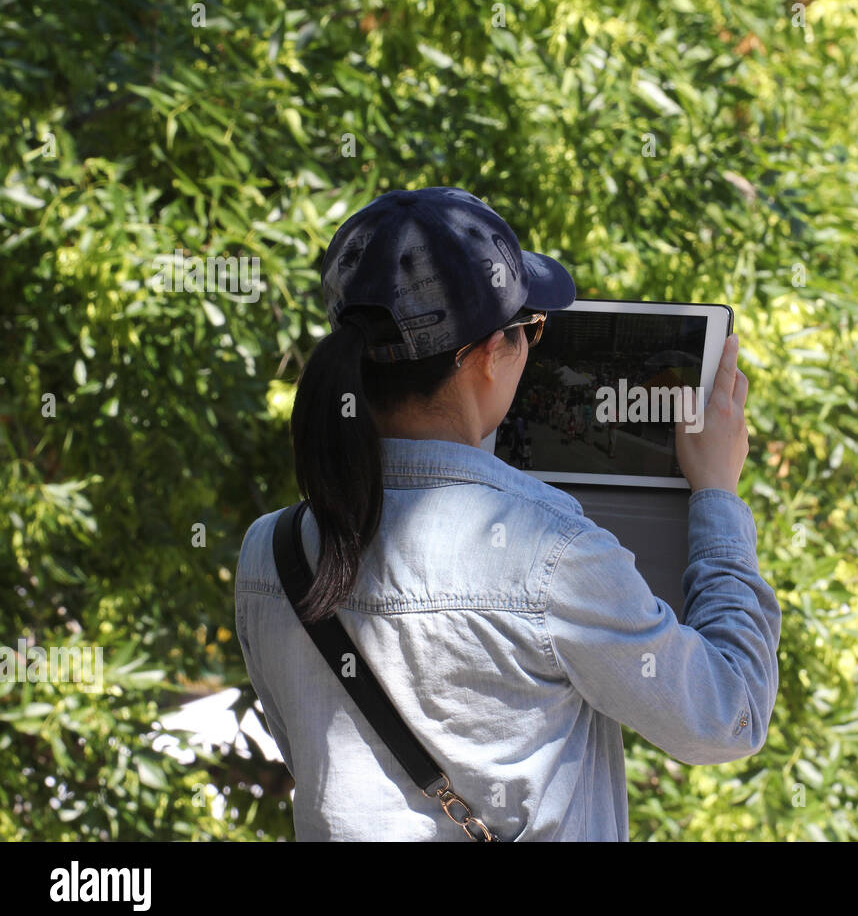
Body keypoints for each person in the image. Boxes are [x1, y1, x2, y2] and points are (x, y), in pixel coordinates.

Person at [233, 187, 781, 841]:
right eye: (532, 330)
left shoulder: (271, 553)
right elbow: (728, 716)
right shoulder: (553, 554)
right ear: (490, 354)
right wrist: (717, 492)